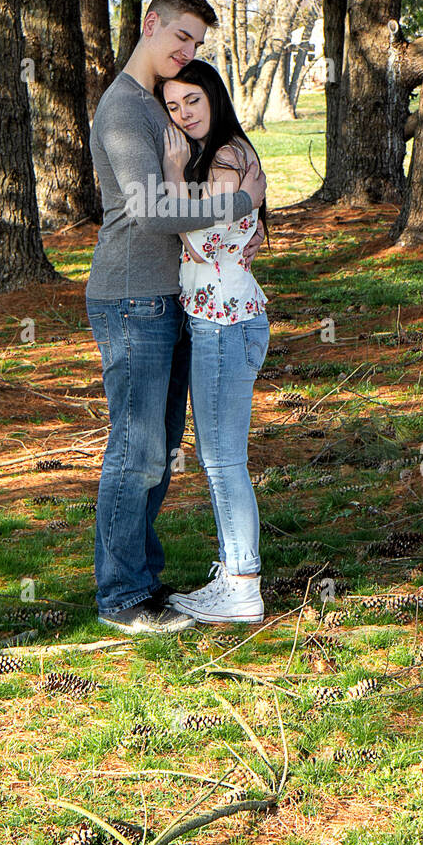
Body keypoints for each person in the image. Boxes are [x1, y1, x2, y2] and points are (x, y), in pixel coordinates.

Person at [86, 0, 267, 633]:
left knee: (157, 451)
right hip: (131, 296)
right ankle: (122, 597)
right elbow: (151, 210)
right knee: (135, 451)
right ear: (150, 23)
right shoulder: (124, 110)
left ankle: (142, 578)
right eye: (181, 36)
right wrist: (240, 203)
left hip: (175, 297)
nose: (187, 51)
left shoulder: (161, 100)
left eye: (197, 44)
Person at [154, 60, 270, 623]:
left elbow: (199, 224)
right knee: (218, 457)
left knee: (222, 460)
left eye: (192, 101)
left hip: (224, 323)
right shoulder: (227, 155)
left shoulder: (225, 156)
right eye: (173, 107)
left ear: (214, 96)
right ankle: (232, 573)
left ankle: (242, 584)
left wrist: (174, 170)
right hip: (222, 316)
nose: (184, 114)